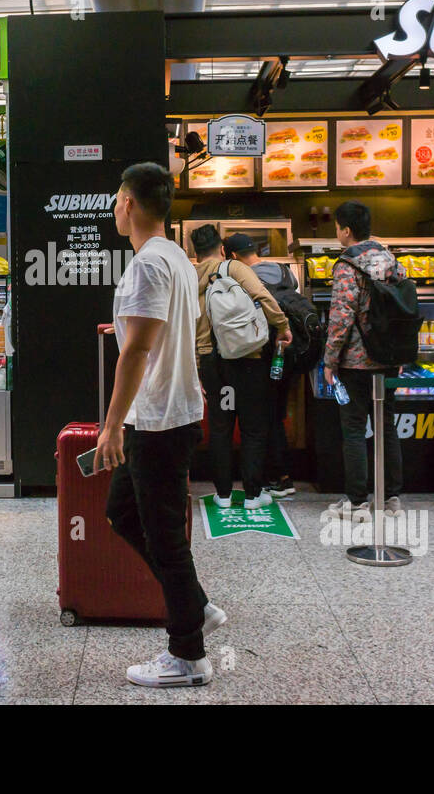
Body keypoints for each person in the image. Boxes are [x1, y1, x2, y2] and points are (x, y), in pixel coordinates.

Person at [96, 162, 222, 688]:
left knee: (166, 538)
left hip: (158, 420)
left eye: (117, 199)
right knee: (121, 513)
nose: (114, 208)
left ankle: (187, 656)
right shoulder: (176, 257)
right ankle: (194, 605)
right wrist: (124, 326)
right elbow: (158, 330)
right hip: (171, 412)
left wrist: (110, 426)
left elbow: (139, 353)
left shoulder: (148, 264)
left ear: (128, 202)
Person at [193, 226, 291, 509]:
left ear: (196, 253)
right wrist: (282, 327)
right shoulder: (233, 267)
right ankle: (251, 494)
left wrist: (195, 364)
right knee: (253, 428)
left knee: (220, 428)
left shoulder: (190, 276)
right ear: (221, 249)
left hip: (211, 362)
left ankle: (222, 495)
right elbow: (263, 296)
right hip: (246, 360)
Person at [322, 200, 405, 522]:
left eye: (338, 228)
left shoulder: (347, 265)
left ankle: (357, 503)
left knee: (355, 430)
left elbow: (341, 317)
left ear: (345, 229)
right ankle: (391, 498)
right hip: (387, 359)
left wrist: (329, 361)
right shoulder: (392, 262)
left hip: (355, 363)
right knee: (387, 428)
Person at [225, 232, 299, 497]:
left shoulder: (241, 277)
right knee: (278, 414)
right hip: (288, 351)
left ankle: (278, 477)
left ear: (232, 257)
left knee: (263, 417)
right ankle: (282, 475)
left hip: (260, 354)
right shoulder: (285, 271)